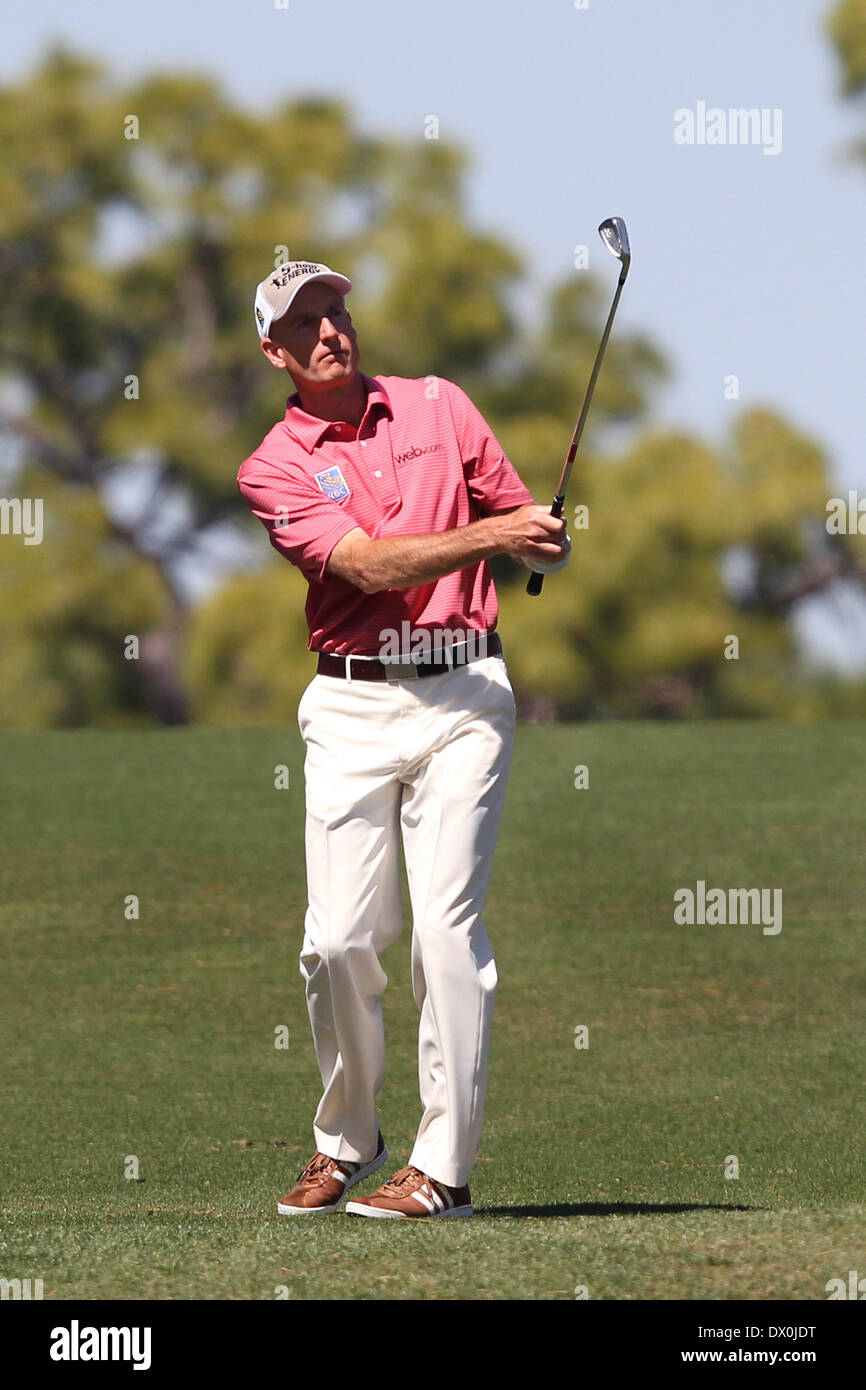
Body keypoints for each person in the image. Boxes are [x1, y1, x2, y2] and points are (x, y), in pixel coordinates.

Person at [237, 259, 569, 1219]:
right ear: (276, 352)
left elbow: (526, 524)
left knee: (445, 932)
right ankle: (347, 1140)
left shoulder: (440, 404)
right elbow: (372, 567)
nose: (330, 330)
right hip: (351, 706)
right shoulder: (275, 467)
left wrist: (543, 539)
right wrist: (495, 534)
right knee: (337, 942)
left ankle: (444, 1171)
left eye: (336, 311)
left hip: (465, 690)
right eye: (306, 323)